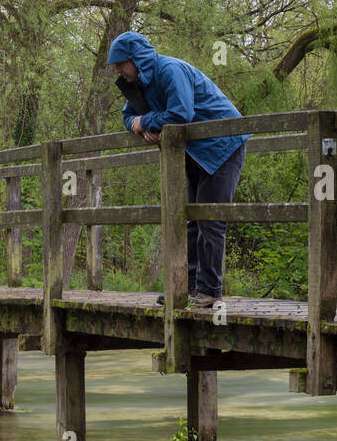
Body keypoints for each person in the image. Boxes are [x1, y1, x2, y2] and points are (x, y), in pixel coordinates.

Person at [107, 31, 249, 307]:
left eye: (121, 63)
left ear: (136, 59)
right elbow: (128, 116)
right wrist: (142, 124)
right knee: (191, 219)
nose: (117, 70)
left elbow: (181, 113)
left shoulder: (170, 70)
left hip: (223, 144)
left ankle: (209, 290)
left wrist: (148, 121)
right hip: (195, 149)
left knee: (210, 218)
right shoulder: (139, 82)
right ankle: (189, 287)